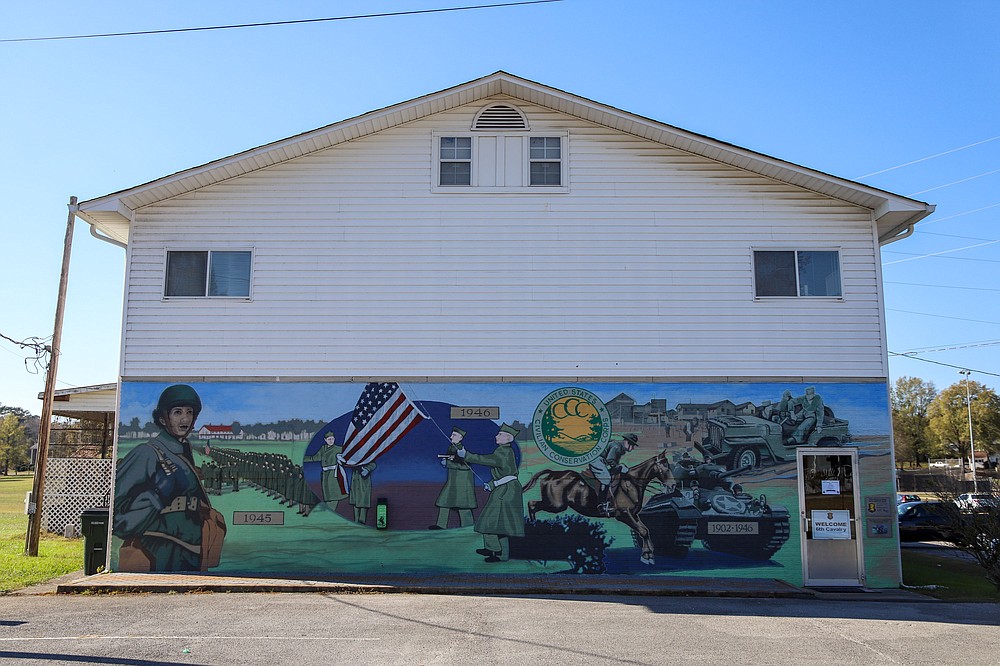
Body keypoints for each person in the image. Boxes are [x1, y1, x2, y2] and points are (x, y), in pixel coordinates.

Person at [112, 384, 226, 571]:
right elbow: (117, 516)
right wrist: (157, 495)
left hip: (188, 552)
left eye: (189, 412)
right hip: (158, 553)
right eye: (177, 412)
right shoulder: (146, 453)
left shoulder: (181, 452)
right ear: (163, 419)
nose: (185, 418)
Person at [456, 423, 523, 563]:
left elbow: (486, 460)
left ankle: (495, 550)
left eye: (500, 434)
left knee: (490, 521)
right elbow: (505, 473)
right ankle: (498, 553)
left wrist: (466, 455)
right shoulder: (504, 451)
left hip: (506, 491)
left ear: (508, 438)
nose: (496, 436)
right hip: (506, 488)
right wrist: (492, 484)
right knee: (501, 525)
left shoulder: (503, 452)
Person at [430, 427, 477, 529]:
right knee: (445, 502)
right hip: (453, 481)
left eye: (454, 435)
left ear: (460, 438)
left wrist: (448, 463)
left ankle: (468, 526)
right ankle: (441, 525)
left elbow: (466, 466)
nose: (451, 437)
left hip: (462, 482)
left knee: (463, 505)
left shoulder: (461, 450)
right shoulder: (452, 447)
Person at [589, 433, 639, 516]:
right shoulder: (617, 447)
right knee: (606, 478)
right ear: (627, 442)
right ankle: (601, 505)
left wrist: (619, 467)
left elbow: (613, 462)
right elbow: (610, 460)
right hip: (596, 459)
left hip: (602, 460)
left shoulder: (620, 448)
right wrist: (620, 467)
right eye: (632, 445)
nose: (633, 448)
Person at [304, 431, 349, 511]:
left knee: (333, 494)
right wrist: (304, 459)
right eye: (329, 439)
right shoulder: (323, 449)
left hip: (334, 475)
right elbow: (315, 458)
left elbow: (348, 456)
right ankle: (329, 508)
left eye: (332, 439)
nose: (331, 441)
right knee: (327, 494)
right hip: (325, 475)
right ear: (325, 440)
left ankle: (331, 509)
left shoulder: (338, 449)